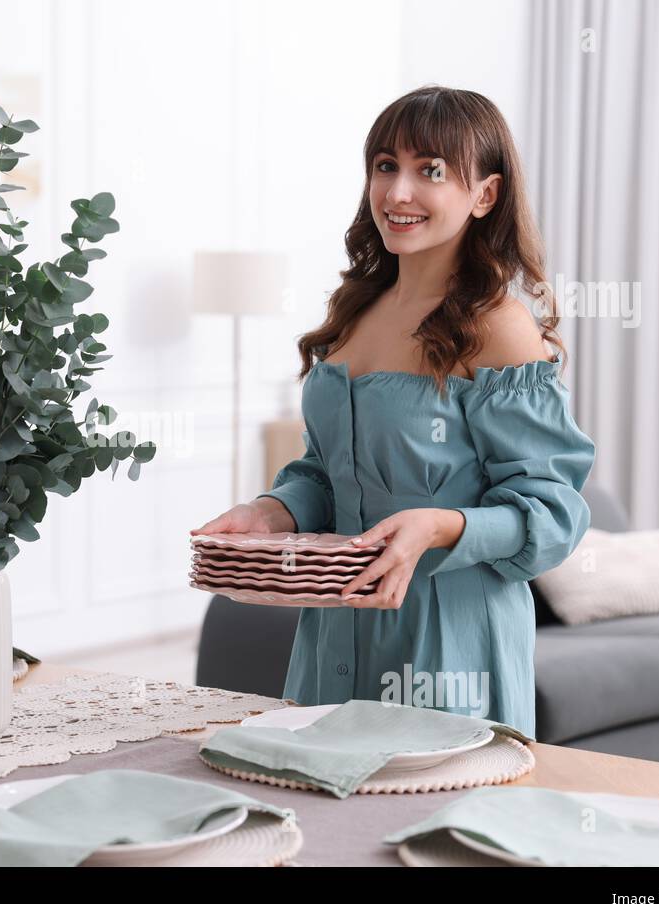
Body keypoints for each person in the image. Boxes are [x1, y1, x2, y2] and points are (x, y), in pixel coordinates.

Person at [190, 86, 596, 738]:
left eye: (430, 170)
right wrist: (272, 511)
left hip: (448, 643)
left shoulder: (499, 328)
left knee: (425, 827)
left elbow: (552, 511)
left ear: (484, 195)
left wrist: (438, 525)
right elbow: (327, 472)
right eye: (385, 165)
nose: (398, 191)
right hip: (332, 632)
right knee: (318, 822)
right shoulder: (355, 311)